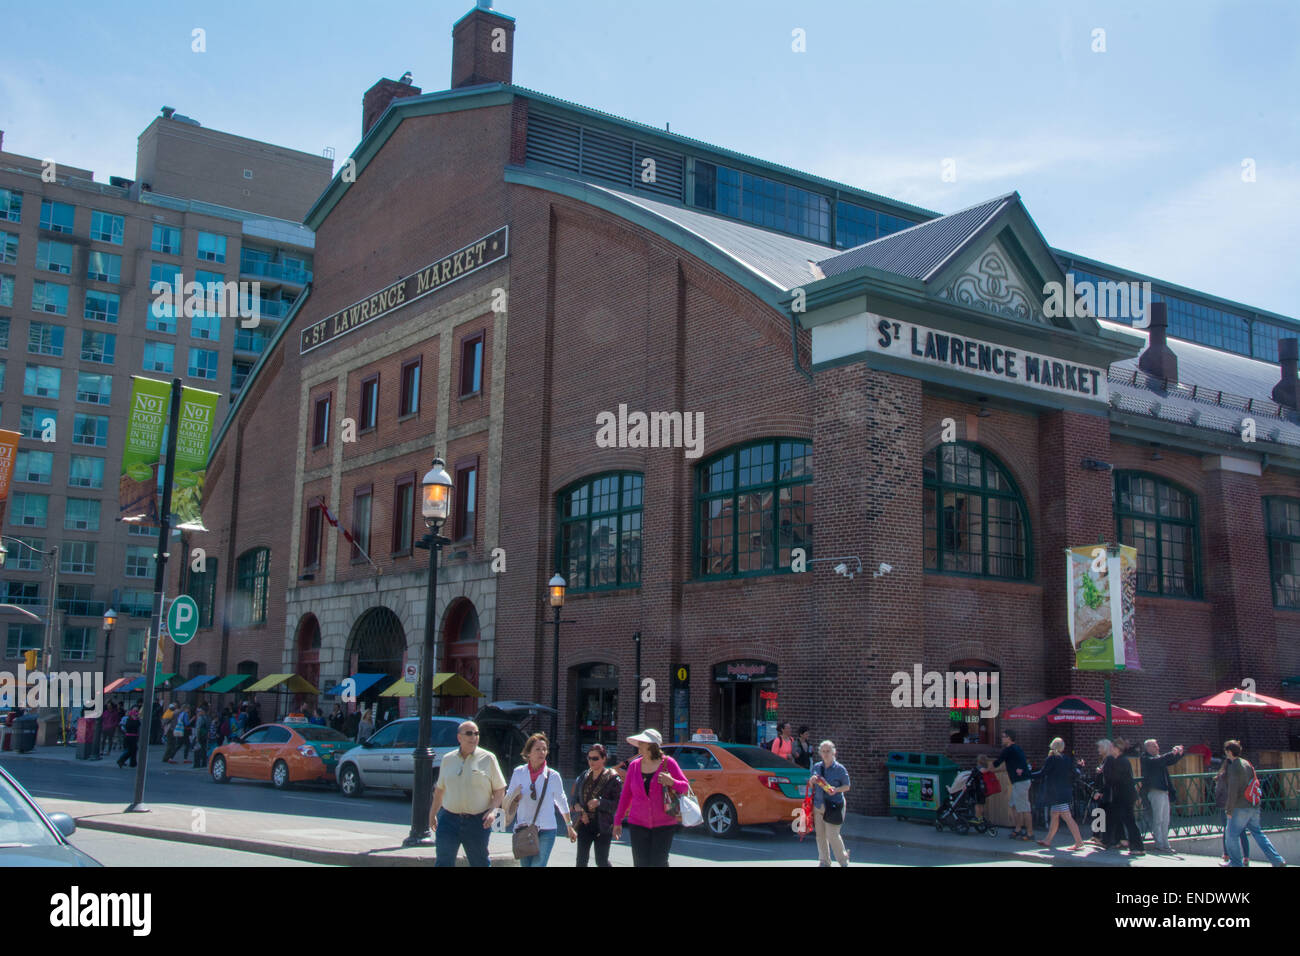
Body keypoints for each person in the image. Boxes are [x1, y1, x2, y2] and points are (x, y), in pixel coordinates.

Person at [429, 720, 506, 867]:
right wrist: (432, 814)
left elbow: (500, 790)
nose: (474, 737)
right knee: (443, 862)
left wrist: (492, 811)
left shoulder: (488, 758)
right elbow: (439, 790)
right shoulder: (447, 759)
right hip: (448, 820)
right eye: (469, 733)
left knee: (480, 863)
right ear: (459, 737)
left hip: (477, 821)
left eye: (476, 733)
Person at [612, 729, 690, 867]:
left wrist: (672, 782)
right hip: (637, 823)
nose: (639, 746)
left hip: (664, 824)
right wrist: (617, 820)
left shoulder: (668, 763)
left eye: (642, 743)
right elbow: (626, 796)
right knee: (641, 863)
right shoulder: (634, 766)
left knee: (658, 863)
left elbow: (685, 787)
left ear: (651, 745)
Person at [503, 733, 576, 867]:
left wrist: (569, 825)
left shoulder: (553, 776)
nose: (541, 752)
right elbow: (508, 797)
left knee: (538, 865)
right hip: (524, 828)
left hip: (546, 829)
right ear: (528, 752)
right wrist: (515, 798)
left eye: (544, 749)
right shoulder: (519, 772)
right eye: (537, 749)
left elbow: (561, 800)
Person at [1219, 740, 1286, 867]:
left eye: (1226, 751)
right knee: (1258, 833)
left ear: (1229, 752)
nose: (1225, 753)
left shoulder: (1234, 766)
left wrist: (1229, 810)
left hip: (1240, 806)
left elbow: (1233, 790)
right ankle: (1277, 860)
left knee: (1231, 835)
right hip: (1253, 805)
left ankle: (1235, 863)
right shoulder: (1247, 763)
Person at [571, 743, 622, 867]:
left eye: (595, 758)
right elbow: (574, 799)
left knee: (601, 861)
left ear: (604, 759)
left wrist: (600, 803)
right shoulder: (584, 776)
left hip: (603, 825)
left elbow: (617, 804)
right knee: (581, 861)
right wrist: (577, 806)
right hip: (585, 822)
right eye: (589, 758)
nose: (591, 761)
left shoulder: (613, 778)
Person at [1032, 738, 1086, 850]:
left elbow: (1042, 773)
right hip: (1064, 791)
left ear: (1052, 746)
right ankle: (1047, 840)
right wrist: (1080, 767)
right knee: (1054, 816)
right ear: (1062, 747)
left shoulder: (1051, 759)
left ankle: (1079, 842)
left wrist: (1027, 774)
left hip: (1056, 794)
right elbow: (1075, 773)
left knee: (1067, 817)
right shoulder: (1067, 759)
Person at [808, 739, 850, 866]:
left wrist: (836, 790)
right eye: (823, 751)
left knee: (832, 835)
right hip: (819, 804)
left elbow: (847, 786)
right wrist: (812, 780)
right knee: (820, 835)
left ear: (834, 753)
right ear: (820, 753)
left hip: (834, 805)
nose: (826, 754)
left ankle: (843, 861)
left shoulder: (840, 769)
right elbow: (811, 786)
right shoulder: (816, 767)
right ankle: (824, 861)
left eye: (828, 751)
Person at [1140, 738, 1184, 852]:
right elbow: (1159, 761)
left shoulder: (1157, 758)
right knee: (1158, 818)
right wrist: (1172, 753)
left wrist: (1178, 754)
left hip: (1164, 791)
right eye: (1154, 746)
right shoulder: (1146, 758)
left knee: (1166, 819)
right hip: (1155, 791)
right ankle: (1159, 844)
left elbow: (1169, 761)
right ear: (1148, 748)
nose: (1157, 748)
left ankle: (1165, 843)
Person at [1102, 738, 1144, 856]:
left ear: (1117, 749)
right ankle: (1108, 841)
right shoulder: (1118, 760)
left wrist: (1105, 770)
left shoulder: (1121, 761)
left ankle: (1138, 846)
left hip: (1124, 796)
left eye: (1112, 748)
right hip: (1120, 795)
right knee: (1111, 818)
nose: (1110, 750)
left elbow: (1113, 778)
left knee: (1129, 821)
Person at [991, 729, 1033, 841]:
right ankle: (1018, 829)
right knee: (1014, 806)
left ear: (1009, 738)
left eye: (1004, 736)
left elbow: (997, 763)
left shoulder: (1008, 750)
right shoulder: (1016, 749)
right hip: (1019, 782)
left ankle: (1029, 833)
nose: (1002, 738)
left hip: (1021, 782)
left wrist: (986, 766)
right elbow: (1009, 766)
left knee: (1024, 808)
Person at [191, 704, 211, 769]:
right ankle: (204, 763)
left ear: (203, 711)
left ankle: (196, 764)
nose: (199, 712)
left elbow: (198, 728)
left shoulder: (200, 718)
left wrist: (196, 737)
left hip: (200, 735)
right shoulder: (208, 718)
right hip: (205, 735)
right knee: (204, 749)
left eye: (200, 711)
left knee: (197, 749)